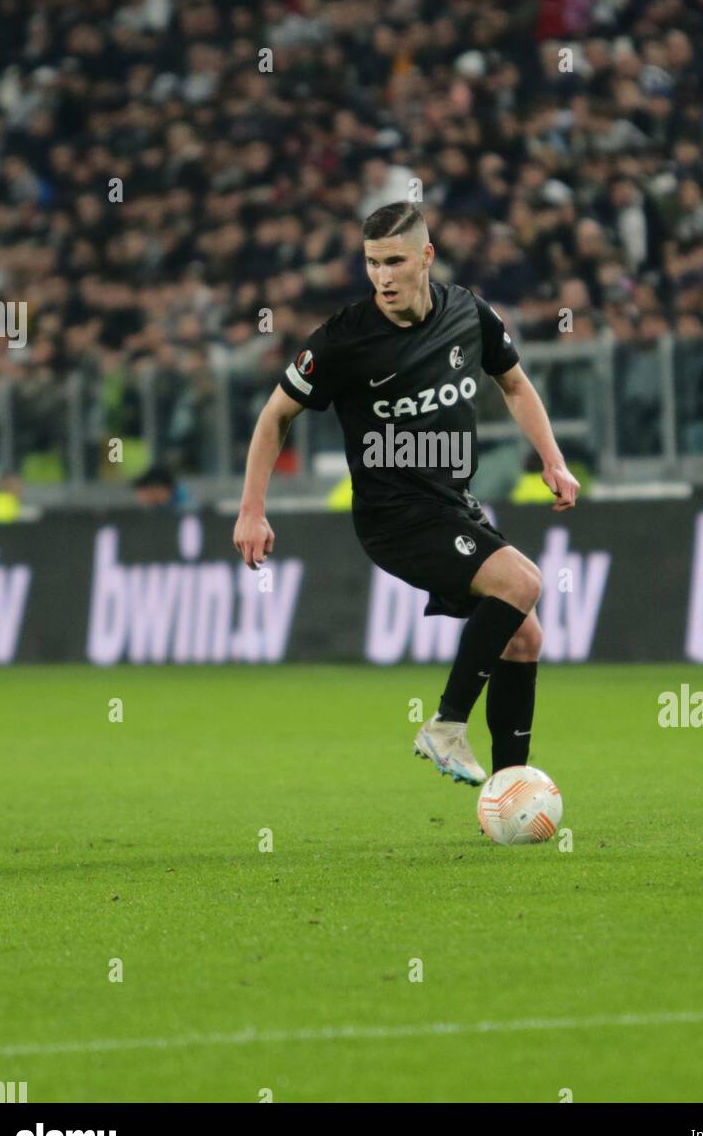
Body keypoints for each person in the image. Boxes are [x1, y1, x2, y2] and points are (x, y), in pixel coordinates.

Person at [234, 202, 580, 784]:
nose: (383, 277)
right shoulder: (342, 340)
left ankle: (509, 793)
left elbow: (515, 384)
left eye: (395, 261)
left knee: (524, 637)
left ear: (426, 257)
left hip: (453, 504)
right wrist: (252, 510)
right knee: (523, 582)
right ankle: (446, 725)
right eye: (372, 263)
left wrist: (553, 458)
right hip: (393, 516)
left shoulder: (469, 313)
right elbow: (275, 417)